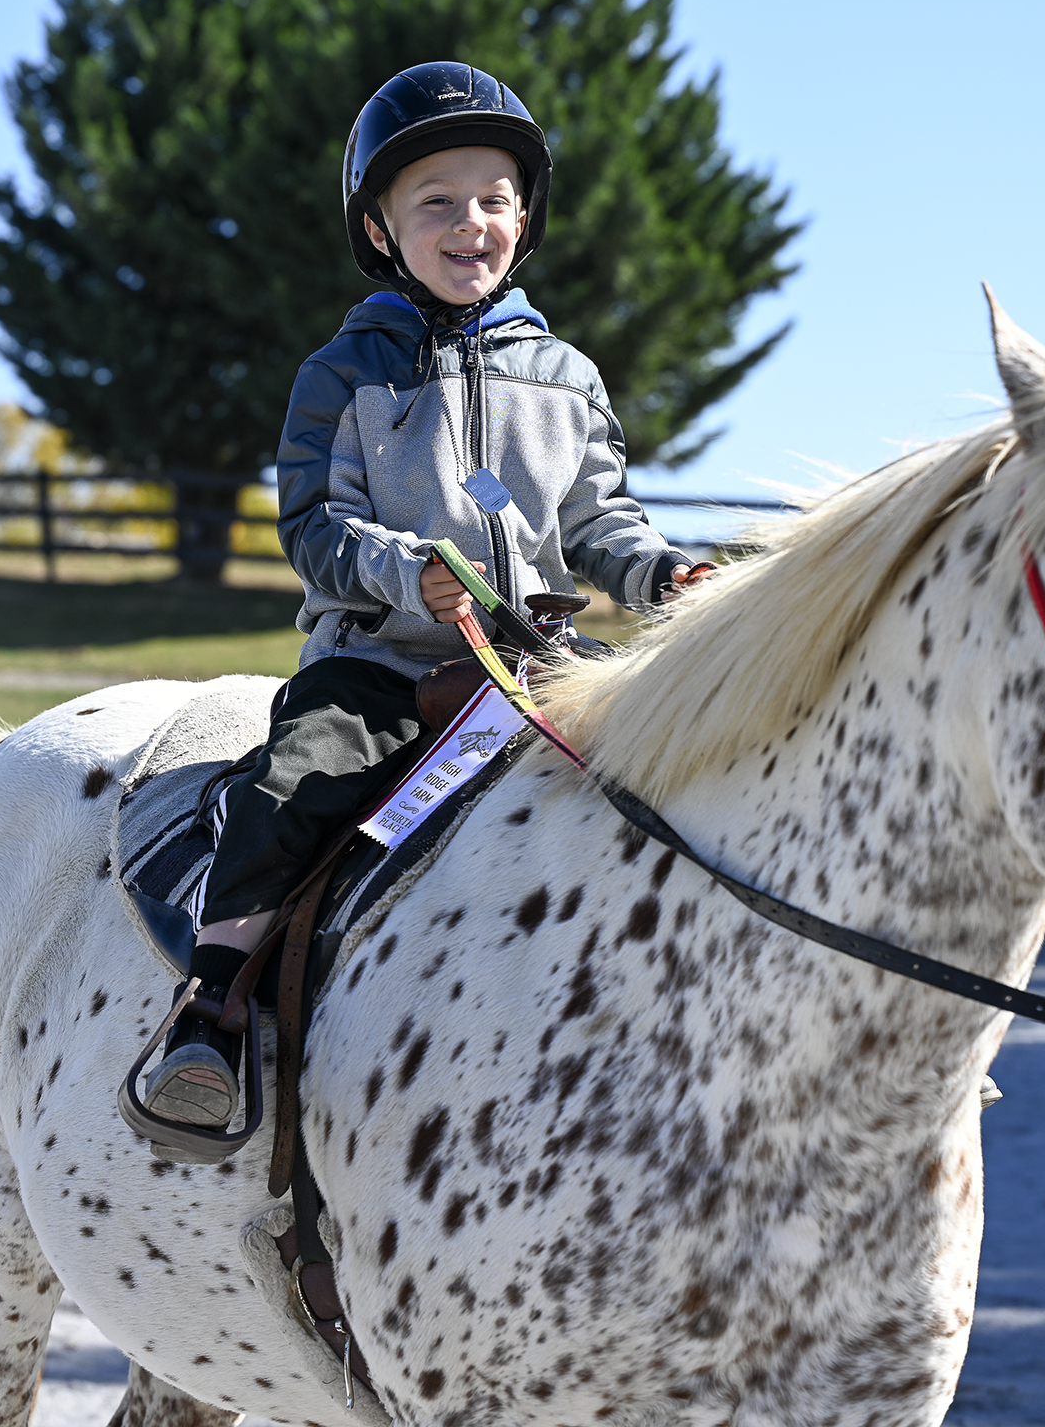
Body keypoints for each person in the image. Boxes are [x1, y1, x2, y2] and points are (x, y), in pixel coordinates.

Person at [141, 61, 708, 1138]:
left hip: (540, 671)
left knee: (693, 775)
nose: (469, 223)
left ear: (523, 219)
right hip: (383, 666)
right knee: (296, 784)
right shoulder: (341, 375)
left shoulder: (569, 378)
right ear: (380, 227)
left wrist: (665, 576)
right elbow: (314, 531)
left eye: (494, 198)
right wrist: (410, 573)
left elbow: (601, 525)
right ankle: (208, 1014)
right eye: (436, 202)